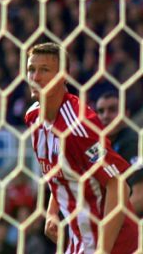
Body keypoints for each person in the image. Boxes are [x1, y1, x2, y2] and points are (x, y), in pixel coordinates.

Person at [24, 42, 138, 253]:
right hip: (79, 242)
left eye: (44, 70)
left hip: (115, 244)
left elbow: (119, 186)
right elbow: (59, 171)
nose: (35, 77)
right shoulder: (33, 118)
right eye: (31, 69)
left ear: (63, 76)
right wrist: (52, 212)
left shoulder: (78, 126)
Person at [94, 91, 143, 216]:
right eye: (101, 111)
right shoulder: (100, 145)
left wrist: (111, 226)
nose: (105, 116)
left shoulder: (132, 143)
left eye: (112, 110)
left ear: (126, 113)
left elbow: (139, 198)